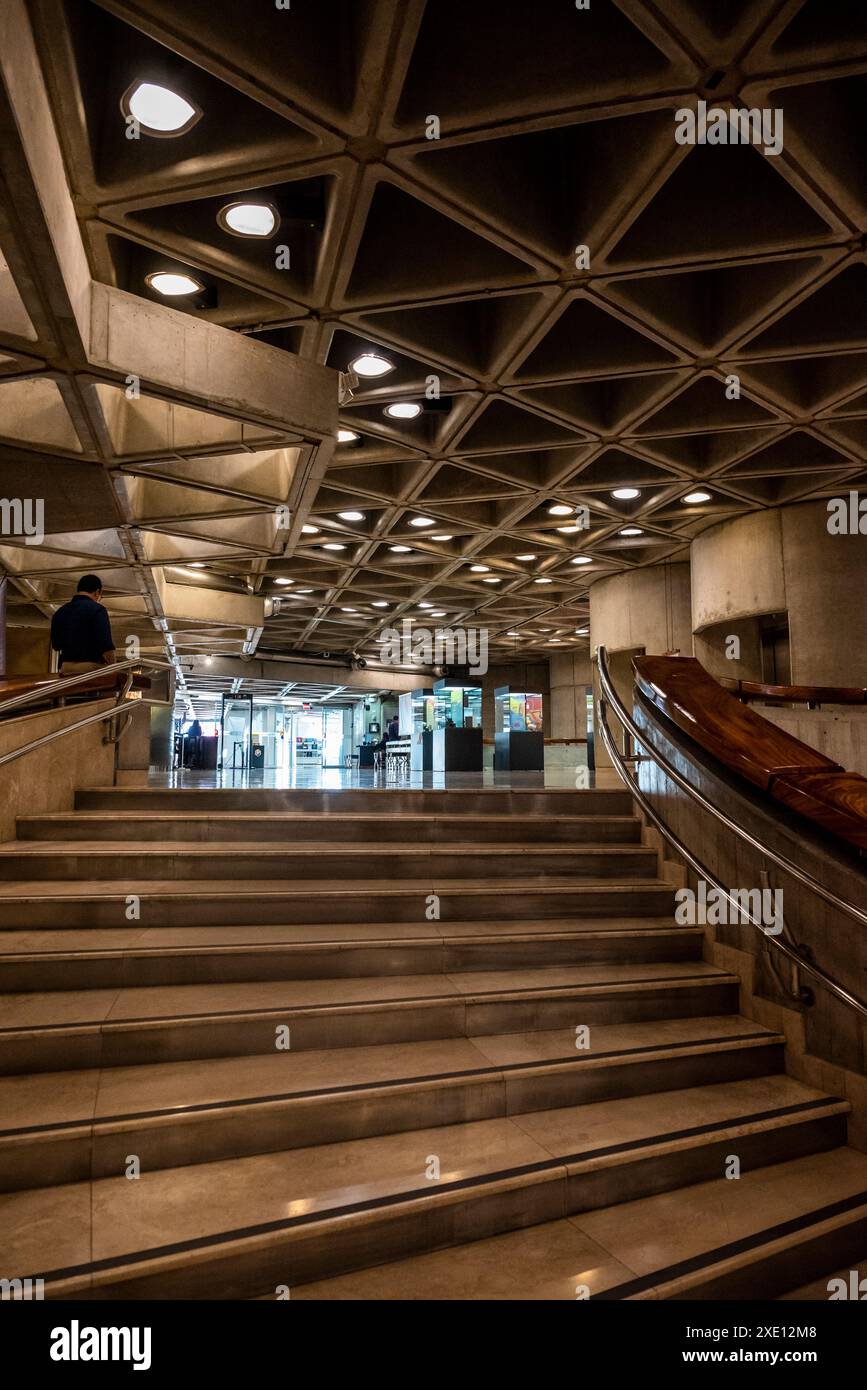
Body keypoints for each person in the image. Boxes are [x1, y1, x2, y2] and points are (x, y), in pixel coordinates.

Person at [50, 575, 116, 673]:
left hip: (66, 669)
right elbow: (106, 645)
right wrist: (114, 668)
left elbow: (56, 645)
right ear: (97, 592)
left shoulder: (60, 612)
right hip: (89, 670)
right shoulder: (97, 610)